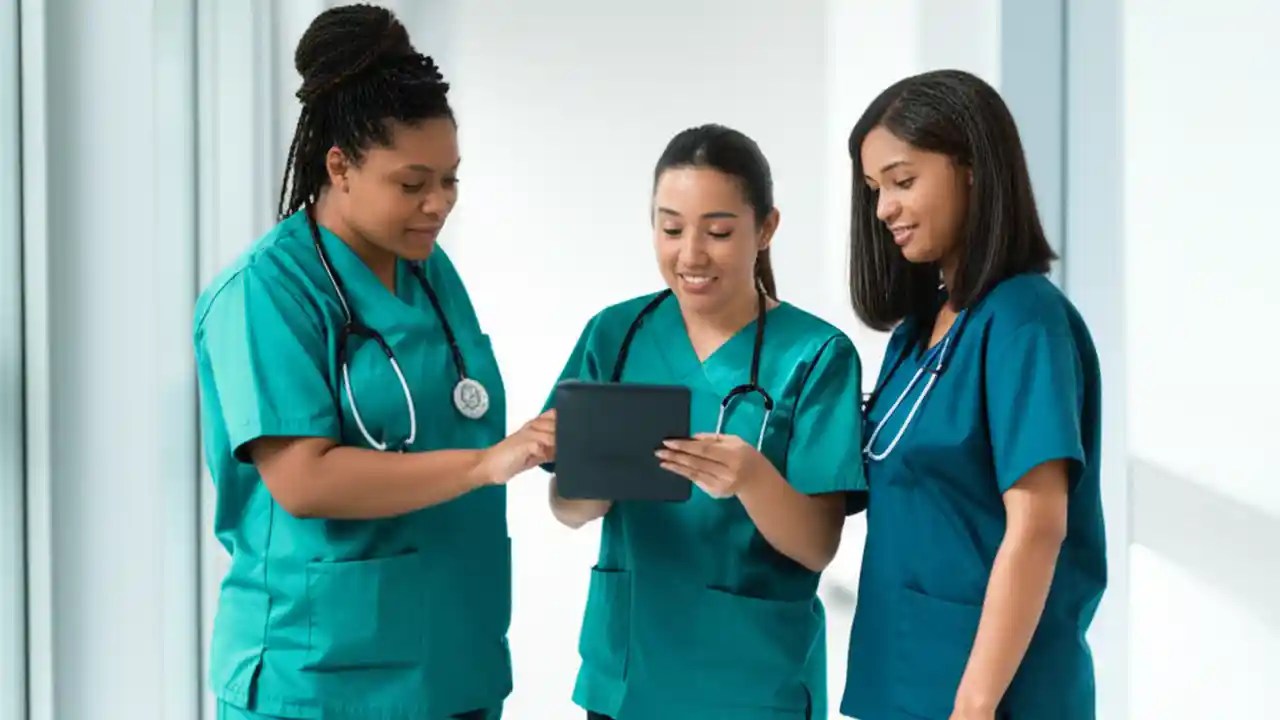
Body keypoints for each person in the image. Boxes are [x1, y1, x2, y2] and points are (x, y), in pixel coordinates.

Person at [192, 6, 552, 719]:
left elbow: (453, 419)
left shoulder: (426, 270)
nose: (438, 204)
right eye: (412, 183)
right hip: (321, 678)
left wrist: (545, 444)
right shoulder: (265, 292)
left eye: (450, 180)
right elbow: (303, 479)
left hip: (453, 663)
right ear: (340, 166)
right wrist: (487, 463)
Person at [543, 124, 866, 720]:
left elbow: (818, 546)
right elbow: (564, 504)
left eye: (718, 232)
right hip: (627, 673)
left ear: (765, 229)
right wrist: (585, 496)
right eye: (670, 228)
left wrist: (751, 479)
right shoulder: (615, 335)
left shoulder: (817, 354)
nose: (690, 254)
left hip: (753, 682)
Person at [838, 69, 1106, 720]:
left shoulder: (1023, 321)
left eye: (903, 181)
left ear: (973, 171)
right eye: (876, 190)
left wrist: (976, 703)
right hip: (899, 681)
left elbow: (1038, 527)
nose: (884, 210)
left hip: (991, 697)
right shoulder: (915, 334)